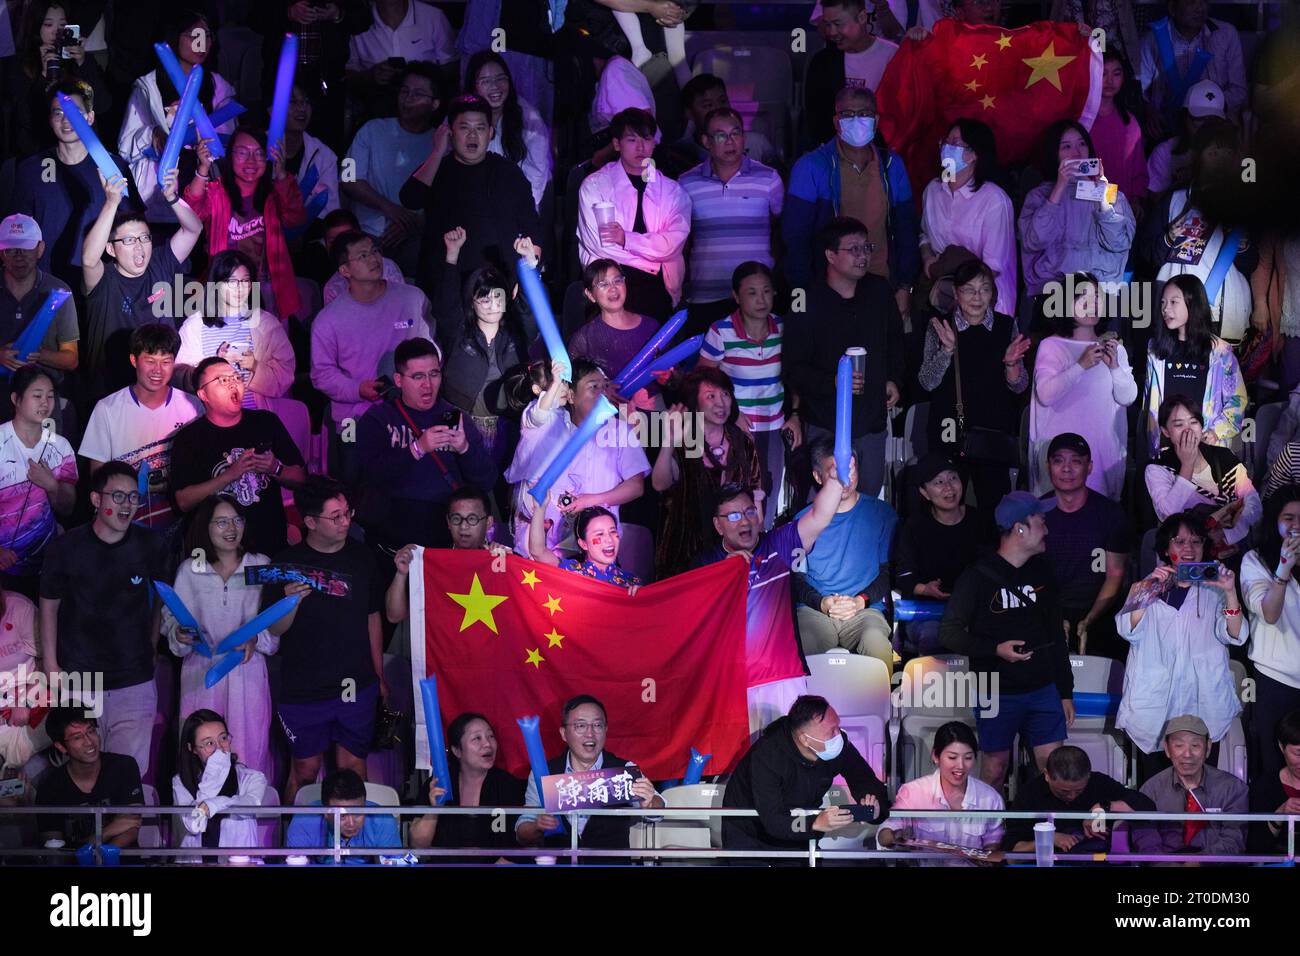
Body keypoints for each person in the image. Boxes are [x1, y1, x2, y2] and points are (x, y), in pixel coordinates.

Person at [39, 463, 171, 776]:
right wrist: (52, 665)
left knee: (128, 776)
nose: (127, 505)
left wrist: (152, 645)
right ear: (97, 500)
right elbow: (48, 605)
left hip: (134, 680)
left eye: (133, 497)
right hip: (80, 679)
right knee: (83, 775)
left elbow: (161, 600)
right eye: (118, 496)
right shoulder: (66, 547)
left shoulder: (151, 545)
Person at [262, 478, 386, 805]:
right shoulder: (284, 565)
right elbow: (275, 630)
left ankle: (358, 851)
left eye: (347, 513)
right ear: (310, 522)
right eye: (336, 517)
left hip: (356, 685)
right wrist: (289, 602)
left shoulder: (363, 558)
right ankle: (293, 849)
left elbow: (373, 617)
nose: (345, 522)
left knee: (353, 769)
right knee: (304, 770)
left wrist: (378, 675)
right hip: (303, 688)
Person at [940, 492, 1074, 790]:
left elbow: (1056, 636)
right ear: (1020, 528)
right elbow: (948, 632)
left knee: (1054, 771)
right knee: (995, 771)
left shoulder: (1044, 571)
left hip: (1043, 688)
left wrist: (1065, 691)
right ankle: (993, 836)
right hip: (996, 689)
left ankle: (1046, 834)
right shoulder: (976, 577)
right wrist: (994, 650)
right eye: (1041, 521)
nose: (1047, 530)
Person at [692, 475, 844, 737]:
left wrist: (835, 479)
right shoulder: (705, 565)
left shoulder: (779, 545)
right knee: (739, 768)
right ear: (718, 526)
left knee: (785, 763)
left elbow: (820, 517)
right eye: (733, 516)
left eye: (750, 511)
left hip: (782, 679)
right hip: (730, 684)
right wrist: (726, 572)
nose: (744, 520)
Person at [1115, 513, 1245, 779]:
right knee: (1155, 790)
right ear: (1166, 548)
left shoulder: (1215, 590)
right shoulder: (1143, 588)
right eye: (1179, 541)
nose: (1188, 548)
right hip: (1155, 706)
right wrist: (1150, 588)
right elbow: (1126, 629)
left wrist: (1230, 591)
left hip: (1203, 703)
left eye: (1196, 542)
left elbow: (1235, 633)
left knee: (1201, 786)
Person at [162, 496, 279, 779]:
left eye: (237, 520)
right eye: (222, 522)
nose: (231, 528)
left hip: (246, 672)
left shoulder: (260, 566)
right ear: (206, 527)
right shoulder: (191, 569)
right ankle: (198, 821)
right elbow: (170, 621)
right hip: (202, 674)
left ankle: (247, 823)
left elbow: (275, 626)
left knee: (249, 751)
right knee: (201, 755)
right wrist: (179, 633)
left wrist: (256, 640)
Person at [785, 217, 903, 497]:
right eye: (854, 249)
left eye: (867, 248)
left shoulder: (879, 291)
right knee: (825, 504)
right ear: (830, 255)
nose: (863, 256)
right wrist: (833, 382)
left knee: (868, 499)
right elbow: (793, 368)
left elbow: (896, 342)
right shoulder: (805, 298)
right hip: (825, 422)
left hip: (871, 421)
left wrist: (893, 379)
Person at [507, 358, 650, 579]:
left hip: (595, 552)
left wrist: (590, 500)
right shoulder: (549, 423)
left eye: (605, 386)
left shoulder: (620, 430)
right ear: (570, 395)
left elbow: (636, 487)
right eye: (593, 387)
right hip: (541, 549)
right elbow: (538, 415)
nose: (603, 393)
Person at [355, 337, 496, 551]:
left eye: (434, 374)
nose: (428, 385)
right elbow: (369, 476)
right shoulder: (378, 419)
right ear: (399, 380)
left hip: (443, 535)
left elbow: (487, 480)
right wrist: (417, 449)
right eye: (418, 376)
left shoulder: (456, 418)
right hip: (390, 537)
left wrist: (465, 449)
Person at [399, 94, 542, 304]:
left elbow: (533, 230)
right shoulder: (438, 169)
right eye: (464, 127)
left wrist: (526, 277)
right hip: (444, 285)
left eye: (480, 128)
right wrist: (438, 151)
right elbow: (410, 198)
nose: (473, 135)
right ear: (450, 132)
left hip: (497, 286)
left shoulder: (508, 173)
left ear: (491, 132)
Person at [80, 163, 201, 404]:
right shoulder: (104, 278)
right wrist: (111, 202)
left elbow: (193, 229)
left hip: (160, 388)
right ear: (111, 249)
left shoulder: (159, 262)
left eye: (144, 238)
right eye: (129, 240)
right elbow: (88, 258)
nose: (139, 246)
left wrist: (172, 197)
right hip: (111, 393)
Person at [784, 86, 918, 304]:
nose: (856, 120)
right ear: (837, 122)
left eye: (864, 114)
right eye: (848, 114)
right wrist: (805, 289)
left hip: (883, 283)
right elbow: (796, 236)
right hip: (830, 288)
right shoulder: (811, 166)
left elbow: (906, 229)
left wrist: (906, 286)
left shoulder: (892, 165)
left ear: (876, 120)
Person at [917, 258, 1030, 510]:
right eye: (969, 289)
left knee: (995, 510)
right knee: (946, 508)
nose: (977, 297)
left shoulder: (1006, 325)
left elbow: (1020, 386)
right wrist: (947, 350)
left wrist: (1011, 365)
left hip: (993, 432)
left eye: (985, 289)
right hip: (948, 430)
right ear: (956, 292)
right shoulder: (940, 326)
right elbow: (927, 382)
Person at [310, 230, 433, 461]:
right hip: (351, 415)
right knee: (354, 477)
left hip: (408, 409)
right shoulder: (328, 320)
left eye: (375, 251)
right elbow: (321, 375)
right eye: (363, 256)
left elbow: (431, 350)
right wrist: (357, 389)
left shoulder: (412, 298)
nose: (373, 259)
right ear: (344, 270)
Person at [169, 357, 307, 555]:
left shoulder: (265, 422)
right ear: (203, 394)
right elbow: (183, 501)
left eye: (236, 376)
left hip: (269, 546)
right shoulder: (189, 438)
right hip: (218, 554)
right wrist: (229, 475)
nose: (233, 382)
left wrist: (275, 468)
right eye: (222, 380)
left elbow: (301, 478)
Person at [721, 694, 888, 857]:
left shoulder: (839, 745)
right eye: (831, 731)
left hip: (799, 829)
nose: (839, 735)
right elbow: (774, 821)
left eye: (838, 726)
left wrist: (874, 808)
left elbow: (864, 779)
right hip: (750, 834)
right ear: (805, 739)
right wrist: (815, 823)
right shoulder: (768, 755)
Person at [78, 324, 201, 543]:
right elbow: (99, 478)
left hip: (180, 531)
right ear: (134, 360)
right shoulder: (107, 409)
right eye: (150, 361)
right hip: (126, 531)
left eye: (166, 362)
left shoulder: (192, 407)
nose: (158, 371)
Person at [10, 80, 141, 285]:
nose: (66, 121)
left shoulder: (113, 167)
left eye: (74, 113)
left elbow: (134, 228)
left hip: (102, 282)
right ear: (50, 120)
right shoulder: (31, 169)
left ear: (89, 117)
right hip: (47, 281)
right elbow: (17, 230)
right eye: (58, 113)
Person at [698, 262, 800, 525]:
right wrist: (732, 415)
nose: (761, 299)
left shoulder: (784, 327)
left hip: (773, 426)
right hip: (734, 428)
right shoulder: (721, 331)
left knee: (767, 493)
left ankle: (760, 559)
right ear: (736, 296)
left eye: (766, 291)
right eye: (752, 293)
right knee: (736, 495)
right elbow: (705, 381)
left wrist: (795, 415)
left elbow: (795, 377)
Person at [1141, 120, 1257, 344]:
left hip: (1223, 313)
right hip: (1176, 317)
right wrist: (1169, 239)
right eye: (1213, 152)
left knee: (1220, 377)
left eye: (1227, 153)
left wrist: (1243, 247)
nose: (1220, 161)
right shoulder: (1174, 199)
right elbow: (1147, 255)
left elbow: (1252, 264)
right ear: (1198, 156)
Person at [118, 10, 238, 221]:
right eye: (194, 35)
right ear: (174, 37)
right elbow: (125, 145)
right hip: (157, 200)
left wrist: (202, 136)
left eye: (207, 35)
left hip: (204, 202)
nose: (202, 43)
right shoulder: (148, 87)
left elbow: (229, 146)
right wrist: (154, 135)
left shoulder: (219, 87)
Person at [1028, 273, 1138, 499]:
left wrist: (1115, 367)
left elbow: (1128, 397)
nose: (1092, 304)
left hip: (1100, 455)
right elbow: (1046, 395)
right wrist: (1080, 365)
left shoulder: (1113, 347)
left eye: (1097, 296)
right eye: (1082, 297)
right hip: (1059, 456)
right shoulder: (1052, 346)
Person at [576, 107, 692, 319]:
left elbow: (672, 244)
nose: (640, 147)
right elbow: (598, 245)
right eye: (631, 140)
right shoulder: (595, 186)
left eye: (646, 139)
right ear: (617, 144)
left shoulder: (673, 191)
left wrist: (626, 239)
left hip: (659, 288)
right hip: (611, 288)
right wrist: (652, 261)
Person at [791, 438, 896, 671]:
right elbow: (796, 579)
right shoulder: (802, 521)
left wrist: (861, 600)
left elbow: (889, 572)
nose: (845, 481)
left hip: (864, 610)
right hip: (816, 610)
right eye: (835, 473)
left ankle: (879, 707)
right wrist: (821, 603)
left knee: (877, 646)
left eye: (850, 470)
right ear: (818, 477)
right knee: (805, 648)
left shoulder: (882, 514)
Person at [1019, 121, 1136, 329]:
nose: (1076, 152)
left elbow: (1119, 242)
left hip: (1101, 296)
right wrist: (1059, 187)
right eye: (1066, 146)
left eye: (1082, 144)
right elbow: (1033, 241)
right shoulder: (1038, 196)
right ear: (1054, 154)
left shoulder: (1111, 193)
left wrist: (1102, 198)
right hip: (1052, 293)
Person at [435, 238, 539, 472]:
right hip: (464, 426)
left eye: (498, 297)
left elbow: (530, 308)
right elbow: (445, 306)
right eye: (484, 299)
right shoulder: (459, 333)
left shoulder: (516, 333)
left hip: (509, 425)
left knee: (505, 485)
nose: (492, 305)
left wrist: (530, 263)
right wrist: (452, 256)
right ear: (472, 303)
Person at [183, 127, 308, 322]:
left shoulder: (274, 194)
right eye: (242, 153)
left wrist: (282, 174)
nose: (251, 161)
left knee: (270, 347)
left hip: (267, 286)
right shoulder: (218, 192)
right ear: (230, 157)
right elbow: (191, 211)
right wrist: (203, 168)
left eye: (259, 154)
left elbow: (295, 218)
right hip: (226, 286)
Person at [515, 694, 664, 853]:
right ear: (564, 733)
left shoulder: (624, 770)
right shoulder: (544, 774)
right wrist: (537, 826)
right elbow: (522, 833)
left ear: (605, 730)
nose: (590, 734)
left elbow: (658, 809)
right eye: (580, 726)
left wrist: (650, 802)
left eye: (597, 725)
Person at [652, 365, 762, 577]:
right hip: (687, 547)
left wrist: (756, 544)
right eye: (710, 396)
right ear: (694, 402)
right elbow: (660, 484)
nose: (721, 403)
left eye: (725, 394)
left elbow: (755, 497)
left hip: (732, 548)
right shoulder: (684, 437)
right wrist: (668, 444)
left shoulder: (741, 440)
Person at [678, 107, 784, 328]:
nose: (730, 141)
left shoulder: (769, 178)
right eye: (720, 135)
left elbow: (779, 230)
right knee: (706, 362)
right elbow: (683, 241)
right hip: (706, 295)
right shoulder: (687, 183)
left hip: (756, 296)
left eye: (736, 133)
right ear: (706, 141)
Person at [340, 61, 441, 276]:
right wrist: (388, 208)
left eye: (418, 94)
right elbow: (348, 179)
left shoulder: (440, 143)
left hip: (416, 236)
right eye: (404, 91)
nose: (408, 99)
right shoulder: (371, 129)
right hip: (367, 234)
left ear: (435, 104)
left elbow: (447, 200)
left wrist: (413, 222)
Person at [893, 452, 995, 655]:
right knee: (935, 637)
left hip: (975, 611)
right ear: (924, 492)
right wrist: (925, 589)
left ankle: (985, 686)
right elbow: (902, 576)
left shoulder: (981, 521)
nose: (948, 487)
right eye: (938, 482)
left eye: (953, 478)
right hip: (929, 613)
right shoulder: (914, 527)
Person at [1040, 435, 1132, 658]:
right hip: (1048, 609)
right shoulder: (1036, 513)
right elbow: (1028, 575)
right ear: (1048, 467)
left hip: (1100, 609)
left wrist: (1090, 619)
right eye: (1059, 461)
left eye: (1076, 461)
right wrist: (1052, 616)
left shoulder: (1110, 514)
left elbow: (1115, 575)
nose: (1067, 469)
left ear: (1089, 467)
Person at [919, 119, 1017, 319]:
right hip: (943, 298)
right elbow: (924, 235)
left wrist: (965, 288)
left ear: (974, 154)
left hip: (986, 303)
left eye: (955, 143)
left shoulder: (994, 199)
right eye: (945, 142)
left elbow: (994, 265)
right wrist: (928, 259)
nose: (947, 148)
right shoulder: (933, 190)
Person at [1141, 274, 1247, 457]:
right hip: (1166, 449)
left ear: (1193, 303)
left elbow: (1237, 401)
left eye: (1174, 302)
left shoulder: (1220, 352)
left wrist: (1215, 433)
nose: (1166, 309)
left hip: (1206, 451)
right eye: (1163, 303)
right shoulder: (1155, 349)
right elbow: (1148, 402)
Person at [176, 251, 295, 408]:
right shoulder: (194, 326)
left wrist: (255, 367)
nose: (239, 288)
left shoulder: (267, 323)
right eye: (231, 282)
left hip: (255, 416)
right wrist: (214, 366)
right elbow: (178, 375)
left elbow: (285, 376)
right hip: (209, 418)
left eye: (245, 281)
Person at [1144, 394, 1260, 554]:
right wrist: (1187, 464)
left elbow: (1253, 503)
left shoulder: (1224, 457)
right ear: (1165, 431)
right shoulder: (1157, 468)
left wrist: (1226, 535)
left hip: (1230, 550)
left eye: (1194, 422)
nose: (1188, 430)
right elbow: (1167, 514)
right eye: (1179, 424)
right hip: (1183, 554)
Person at [877, 721, 1004, 863]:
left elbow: (994, 842)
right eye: (952, 757)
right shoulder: (914, 791)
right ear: (935, 756)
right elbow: (885, 834)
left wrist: (988, 857)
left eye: (968, 758)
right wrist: (894, 836)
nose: (960, 766)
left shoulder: (990, 798)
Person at [1239, 489, 1300, 783]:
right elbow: (1270, 613)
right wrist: (1284, 569)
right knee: (1275, 767)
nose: (1296, 525)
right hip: (1276, 680)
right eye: (1288, 518)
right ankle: (1272, 825)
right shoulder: (1255, 561)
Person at [0, 366, 77, 598]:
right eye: (37, 395)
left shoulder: (61, 447)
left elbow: (68, 508)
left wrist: (52, 485)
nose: (45, 403)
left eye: (50, 396)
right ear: (16, 399)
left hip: (47, 563)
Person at [409, 712, 525, 862]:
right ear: (457, 751)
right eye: (477, 738)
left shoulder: (508, 785)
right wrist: (434, 810)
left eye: (491, 736)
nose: (488, 744)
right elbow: (418, 845)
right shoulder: (439, 784)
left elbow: (521, 841)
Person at [3, 1, 113, 158]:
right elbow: (23, 121)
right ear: (37, 27)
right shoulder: (20, 64)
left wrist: (82, 63)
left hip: (79, 149)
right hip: (38, 150)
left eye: (63, 25)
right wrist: (42, 75)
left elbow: (103, 105)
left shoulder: (78, 61)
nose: (56, 32)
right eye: (48, 25)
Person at [1131, 715, 1248, 857]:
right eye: (1179, 746)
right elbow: (1144, 838)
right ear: (1167, 748)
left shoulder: (1232, 788)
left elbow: (1234, 841)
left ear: (1208, 748)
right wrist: (1161, 862)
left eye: (1195, 745)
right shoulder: (1151, 790)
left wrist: (1200, 861)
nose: (1187, 754)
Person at [1004, 745, 1154, 856]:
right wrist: (1047, 839)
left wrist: (1103, 807)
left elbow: (1147, 806)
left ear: (1088, 776)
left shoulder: (1099, 783)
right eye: (1064, 791)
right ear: (1047, 775)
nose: (1072, 796)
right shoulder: (1029, 795)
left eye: (1079, 790)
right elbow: (1010, 853)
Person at [35, 709, 143, 851]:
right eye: (77, 737)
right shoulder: (49, 788)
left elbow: (131, 827)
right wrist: (107, 832)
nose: (89, 742)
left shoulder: (123, 766)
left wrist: (101, 857)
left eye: (91, 731)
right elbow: (56, 853)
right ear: (61, 746)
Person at [0, 214, 80, 396]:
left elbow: (71, 359)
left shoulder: (59, 291)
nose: (19, 256)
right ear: (1, 252)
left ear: (40, 249)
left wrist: (39, 354)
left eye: (26, 248)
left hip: (44, 396)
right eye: (11, 249)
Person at [803, 0, 898, 149]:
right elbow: (816, 123)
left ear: (861, 18)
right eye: (827, 24)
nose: (831, 32)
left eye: (838, 24)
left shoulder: (892, 56)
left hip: (883, 152)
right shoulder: (822, 63)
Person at [172, 709, 268, 855]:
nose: (219, 748)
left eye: (223, 738)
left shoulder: (253, 778)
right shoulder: (180, 782)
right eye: (209, 743)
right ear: (192, 749)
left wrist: (214, 804)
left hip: (240, 863)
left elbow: (250, 804)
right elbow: (194, 824)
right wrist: (214, 774)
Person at [567, 259, 660, 408]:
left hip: (654, 410)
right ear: (590, 294)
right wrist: (601, 389)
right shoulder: (585, 338)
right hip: (611, 416)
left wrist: (669, 377)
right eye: (603, 284)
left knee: (692, 427)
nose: (613, 288)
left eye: (617, 280)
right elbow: (570, 382)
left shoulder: (651, 326)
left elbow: (675, 378)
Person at [465, 50, 551, 210]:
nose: (495, 87)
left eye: (500, 79)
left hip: (518, 207)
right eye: (485, 81)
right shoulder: (460, 117)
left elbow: (536, 175)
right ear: (473, 85)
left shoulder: (529, 118)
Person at [1137, 0, 1247, 123]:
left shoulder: (1227, 35)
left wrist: (1212, 109)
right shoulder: (1153, 39)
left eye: (1203, 1)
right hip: (1167, 122)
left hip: (1214, 122)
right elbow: (1140, 89)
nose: (1199, 8)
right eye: (1191, 2)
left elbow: (1239, 90)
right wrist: (1148, 109)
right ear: (1173, 9)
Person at [345, 0, 457, 118]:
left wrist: (420, 76)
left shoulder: (433, 17)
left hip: (425, 108)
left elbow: (451, 65)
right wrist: (372, 75)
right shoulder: (357, 23)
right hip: (376, 107)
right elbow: (347, 74)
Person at [660, 73, 781, 179]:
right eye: (708, 105)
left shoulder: (757, 143)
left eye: (722, 101)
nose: (718, 109)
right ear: (689, 113)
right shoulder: (678, 153)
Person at [285, 768, 402, 864]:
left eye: (357, 813)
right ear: (325, 812)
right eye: (342, 816)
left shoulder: (382, 820)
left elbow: (390, 863)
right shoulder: (304, 820)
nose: (351, 823)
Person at [529, 498, 642, 591]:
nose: (609, 540)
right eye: (600, 534)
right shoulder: (571, 571)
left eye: (613, 532)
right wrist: (539, 509)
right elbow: (538, 552)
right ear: (583, 544)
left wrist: (642, 597)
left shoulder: (631, 581)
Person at [279, 82, 342, 232]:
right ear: (271, 109)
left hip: (308, 235)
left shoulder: (325, 155)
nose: (301, 109)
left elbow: (329, 213)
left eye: (306, 102)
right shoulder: (256, 147)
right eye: (293, 102)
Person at [1089, 49, 1148, 207]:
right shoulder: (1082, 120)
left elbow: (1138, 168)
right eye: (1103, 73)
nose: (1110, 81)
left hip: (1121, 207)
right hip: (1085, 203)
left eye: (1116, 73)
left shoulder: (1129, 122)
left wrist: (1136, 198)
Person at [1147, 79, 1225, 195]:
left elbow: (1250, 182)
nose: (1207, 126)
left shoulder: (1231, 151)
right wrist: (1186, 181)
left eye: (1213, 120)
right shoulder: (1164, 153)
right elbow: (1155, 203)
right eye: (1200, 119)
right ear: (1185, 118)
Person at [1248, 709, 1300, 854]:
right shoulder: (1264, 787)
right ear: (1281, 747)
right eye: (1298, 753)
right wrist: (1280, 814)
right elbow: (1254, 848)